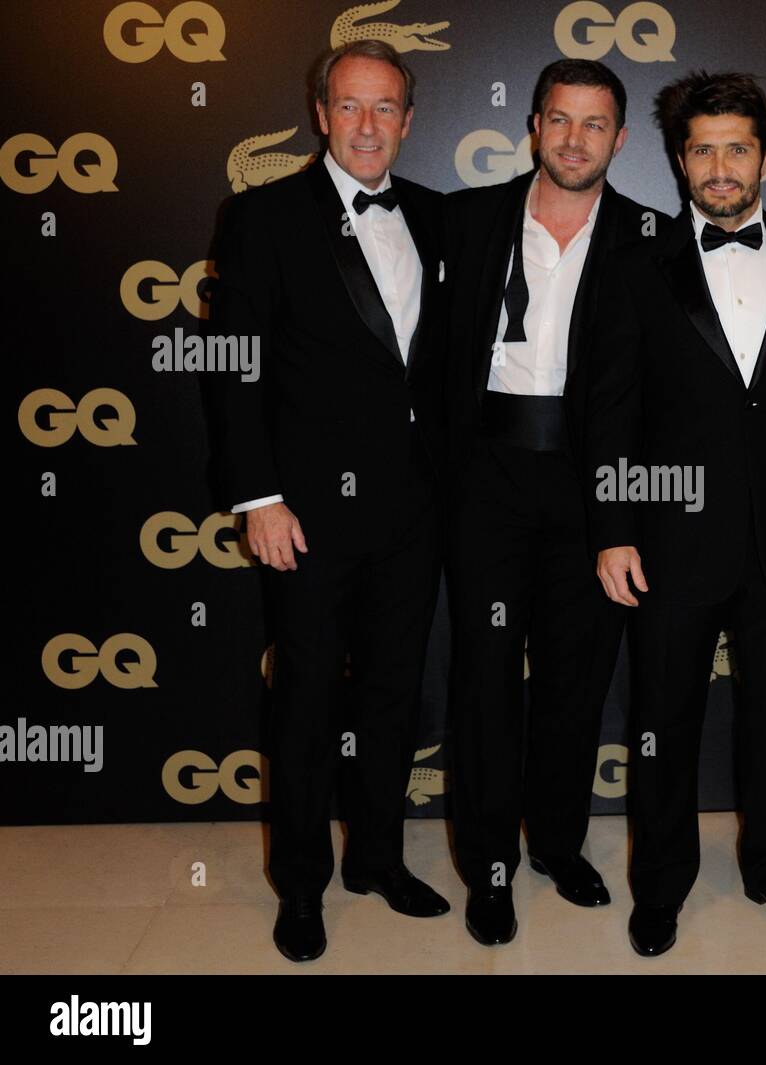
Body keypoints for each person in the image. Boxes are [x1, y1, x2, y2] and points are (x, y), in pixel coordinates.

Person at [586, 71, 766, 957]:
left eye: (736, 146)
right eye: (701, 147)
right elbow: (610, 410)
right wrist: (616, 529)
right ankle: (660, 888)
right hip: (669, 541)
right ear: (677, 160)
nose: (719, 164)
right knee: (663, 722)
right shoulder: (635, 269)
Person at [205, 39, 449, 962]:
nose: (367, 124)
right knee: (306, 703)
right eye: (349, 106)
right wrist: (258, 498)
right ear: (319, 114)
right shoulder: (262, 217)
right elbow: (235, 371)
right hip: (303, 515)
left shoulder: (435, 216)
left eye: (385, 107)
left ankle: (377, 859)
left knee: (393, 694)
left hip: (414, 511)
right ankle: (301, 886)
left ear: (409, 120)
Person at [440, 59, 667, 946]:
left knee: (576, 682)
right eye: (561, 120)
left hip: (595, 490)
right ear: (534, 125)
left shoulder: (654, 237)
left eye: (596, 124)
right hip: (487, 480)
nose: (576, 139)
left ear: (620, 137)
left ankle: (559, 846)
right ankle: (490, 867)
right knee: (486, 681)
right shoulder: (462, 220)